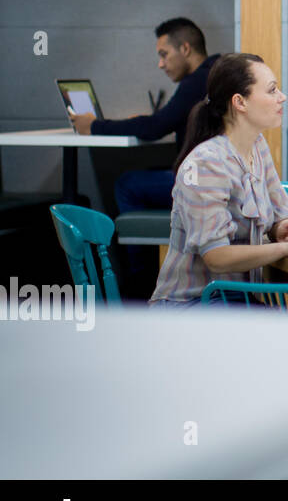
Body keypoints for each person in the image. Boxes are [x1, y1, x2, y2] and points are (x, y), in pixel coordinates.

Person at [149, 53, 288, 308]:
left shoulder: (257, 144)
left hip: (238, 296)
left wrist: (280, 229)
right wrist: (287, 249)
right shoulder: (206, 163)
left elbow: (277, 216)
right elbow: (217, 257)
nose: (282, 97)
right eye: (272, 90)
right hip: (194, 302)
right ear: (240, 102)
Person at [69, 17, 220, 297]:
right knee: (140, 178)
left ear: (185, 49)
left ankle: (140, 281)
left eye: (164, 54)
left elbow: (154, 128)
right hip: (212, 180)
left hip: (201, 184)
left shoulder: (197, 81)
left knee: (127, 184)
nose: (161, 64)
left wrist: (94, 126)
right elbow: (163, 121)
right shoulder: (215, 74)